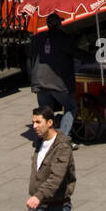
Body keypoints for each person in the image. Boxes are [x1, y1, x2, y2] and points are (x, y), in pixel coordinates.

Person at [28, 13, 78, 142]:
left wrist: (33, 80)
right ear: (59, 24)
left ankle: (45, 138)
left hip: (39, 82)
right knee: (70, 106)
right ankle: (63, 139)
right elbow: (77, 53)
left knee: (46, 111)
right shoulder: (64, 38)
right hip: (57, 83)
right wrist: (92, 57)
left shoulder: (37, 38)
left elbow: (30, 59)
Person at [25, 103, 76, 211]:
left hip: (56, 210)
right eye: (33, 122)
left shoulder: (62, 147)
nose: (34, 126)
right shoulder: (40, 141)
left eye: (38, 122)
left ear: (49, 123)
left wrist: (38, 196)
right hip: (36, 209)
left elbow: (56, 177)